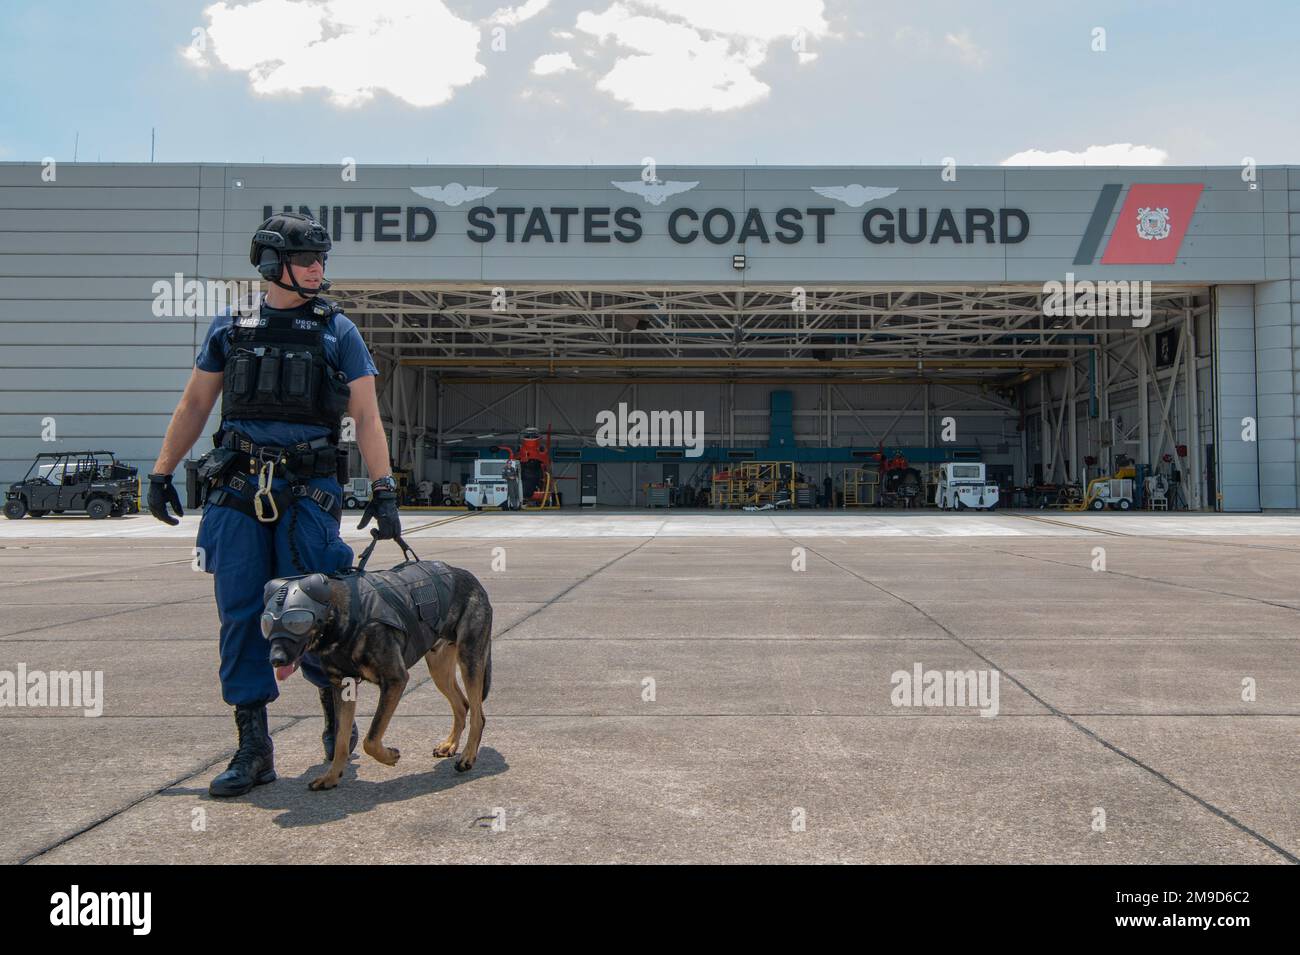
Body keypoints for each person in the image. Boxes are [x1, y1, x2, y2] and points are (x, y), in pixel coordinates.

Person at [146, 212, 402, 797]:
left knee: (320, 618)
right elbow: (194, 406)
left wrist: (385, 491)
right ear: (272, 264)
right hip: (237, 493)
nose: (319, 269)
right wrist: (160, 473)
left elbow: (366, 416)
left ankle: (335, 729)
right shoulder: (230, 327)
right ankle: (253, 747)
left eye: (322, 259)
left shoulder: (337, 329)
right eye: (307, 259)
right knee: (240, 615)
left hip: (308, 495)